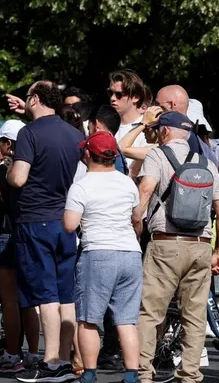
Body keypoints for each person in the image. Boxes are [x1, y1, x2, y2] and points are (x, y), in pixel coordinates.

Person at [135, 110, 219, 383]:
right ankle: (190, 375)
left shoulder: (157, 155)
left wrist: (135, 225)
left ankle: (143, 374)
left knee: (151, 312)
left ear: (164, 131)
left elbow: (145, 190)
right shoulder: (207, 163)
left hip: (165, 243)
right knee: (195, 315)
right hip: (200, 245)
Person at [10, 80, 84, 383]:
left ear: (36, 99)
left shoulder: (29, 133)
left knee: (45, 294)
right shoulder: (75, 134)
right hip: (66, 219)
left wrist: (11, 167)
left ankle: (51, 361)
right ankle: (65, 359)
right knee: (66, 294)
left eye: (28, 98)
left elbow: (18, 178)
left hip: (35, 218)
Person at [64, 130, 142, 383]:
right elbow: (137, 219)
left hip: (98, 252)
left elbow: (69, 224)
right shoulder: (127, 181)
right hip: (130, 252)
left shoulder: (82, 185)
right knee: (127, 320)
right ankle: (131, 375)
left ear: (88, 155)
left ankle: (89, 374)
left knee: (88, 319)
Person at [0, 121, 28, 375]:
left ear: (8, 144)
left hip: (4, 233)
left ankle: (12, 352)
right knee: (29, 300)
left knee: (9, 301)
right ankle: (32, 352)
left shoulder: (2, 171)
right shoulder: (35, 167)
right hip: (29, 233)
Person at [108, 72, 152, 168]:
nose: (112, 98)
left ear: (135, 97)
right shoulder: (106, 124)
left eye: (119, 95)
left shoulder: (148, 129)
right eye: (110, 93)